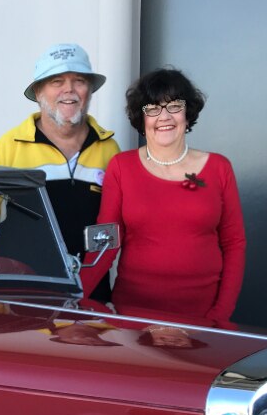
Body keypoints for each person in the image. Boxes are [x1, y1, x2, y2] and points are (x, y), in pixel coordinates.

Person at [0, 43, 120, 301]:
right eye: (57, 81)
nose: (69, 89)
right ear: (38, 91)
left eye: (79, 80)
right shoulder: (9, 147)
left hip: (91, 299)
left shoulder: (109, 149)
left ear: (89, 91)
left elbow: (113, 230)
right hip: (24, 299)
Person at [87, 68, 246, 322]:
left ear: (187, 112)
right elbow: (105, 243)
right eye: (152, 108)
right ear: (142, 117)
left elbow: (234, 244)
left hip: (204, 319)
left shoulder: (219, 168)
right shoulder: (121, 167)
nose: (164, 116)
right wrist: (76, 297)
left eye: (174, 105)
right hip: (134, 316)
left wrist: (220, 315)